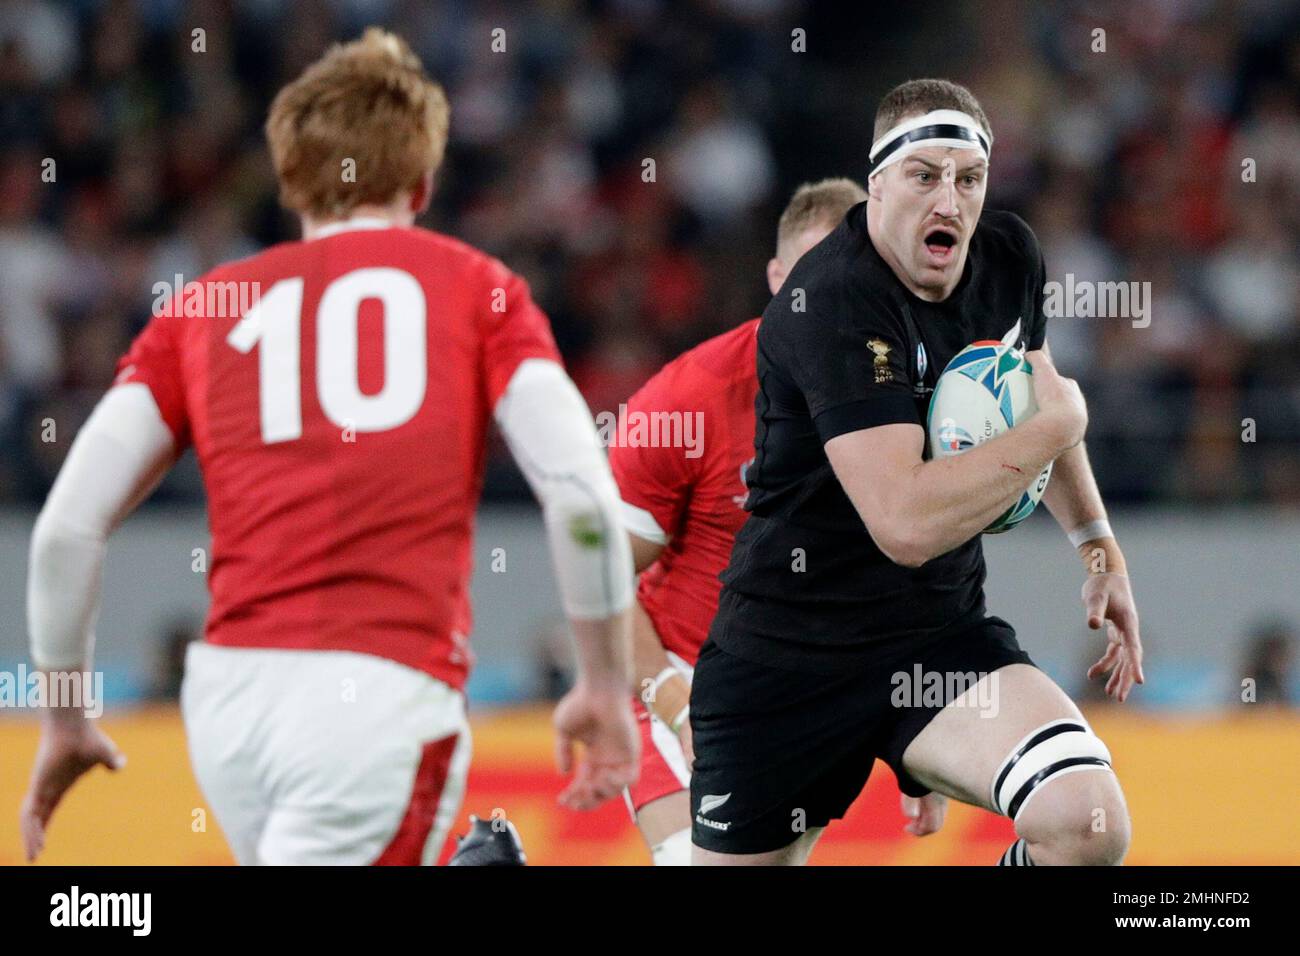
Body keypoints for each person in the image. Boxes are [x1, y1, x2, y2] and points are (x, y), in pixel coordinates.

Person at [21, 29, 638, 866]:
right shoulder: (475, 287)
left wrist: (62, 715)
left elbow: (65, 529)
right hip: (379, 694)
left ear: (288, 177)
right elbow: (581, 498)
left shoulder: (205, 306)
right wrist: (602, 683)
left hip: (229, 702)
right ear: (423, 181)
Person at [689, 78, 1144, 866]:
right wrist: (1059, 424)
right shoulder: (829, 299)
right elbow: (906, 524)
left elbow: (1035, 390)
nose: (950, 200)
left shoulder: (1008, 257)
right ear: (876, 186)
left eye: (968, 178)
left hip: (934, 641)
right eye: (924, 175)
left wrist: (1101, 549)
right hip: (784, 663)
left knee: (1086, 822)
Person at [610, 177, 949, 865]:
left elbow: (921, 561)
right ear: (775, 279)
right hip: (692, 682)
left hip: (818, 687)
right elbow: (596, 580)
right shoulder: (685, 402)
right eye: (809, 280)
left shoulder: (912, 397)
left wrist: (920, 731)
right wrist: (673, 700)